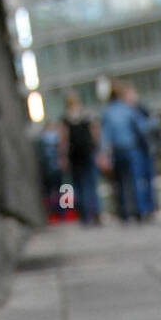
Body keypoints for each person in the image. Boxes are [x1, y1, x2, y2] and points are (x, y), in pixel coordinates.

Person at [100, 81, 144, 222]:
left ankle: (124, 213)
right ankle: (138, 211)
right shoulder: (127, 109)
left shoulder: (108, 112)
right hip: (130, 148)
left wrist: (104, 154)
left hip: (117, 151)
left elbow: (105, 135)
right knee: (134, 180)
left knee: (120, 183)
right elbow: (139, 127)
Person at [61, 93, 101, 226]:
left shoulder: (65, 118)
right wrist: (96, 149)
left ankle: (84, 216)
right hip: (87, 152)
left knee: (78, 185)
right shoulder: (86, 114)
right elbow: (95, 132)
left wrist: (63, 157)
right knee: (91, 184)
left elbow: (64, 140)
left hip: (74, 155)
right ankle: (95, 212)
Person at [123, 82, 159, 219]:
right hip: (134, 149)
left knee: (149, 179)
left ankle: (150, 208)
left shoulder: (143, 109)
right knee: (137, 181)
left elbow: (154, 124)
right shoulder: (126, 113)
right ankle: (140, 209)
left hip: (147, 148)